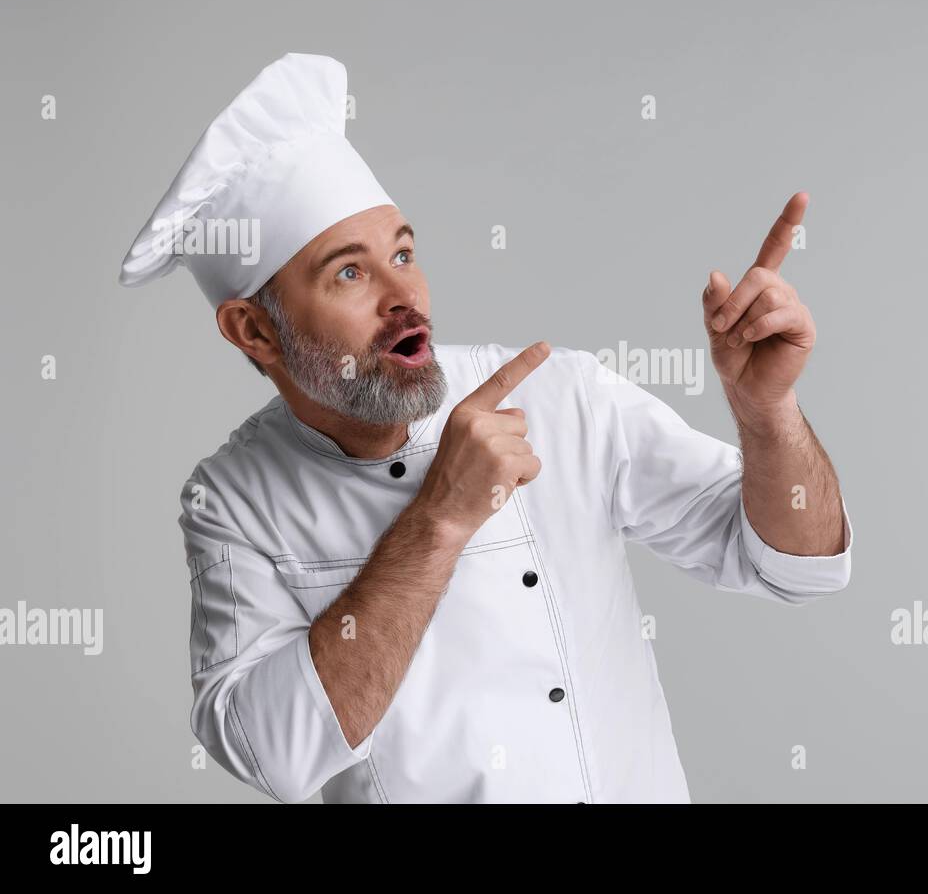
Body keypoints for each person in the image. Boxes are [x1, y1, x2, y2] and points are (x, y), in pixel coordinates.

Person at [120, 53, 854, 803]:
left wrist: (767, 414)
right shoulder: (232, 499)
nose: (405, 295)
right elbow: (274, 755)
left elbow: (799, 565)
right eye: (350, 272)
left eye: (403, 253)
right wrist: (439, 517)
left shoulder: (561, 396)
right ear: (253, 331)